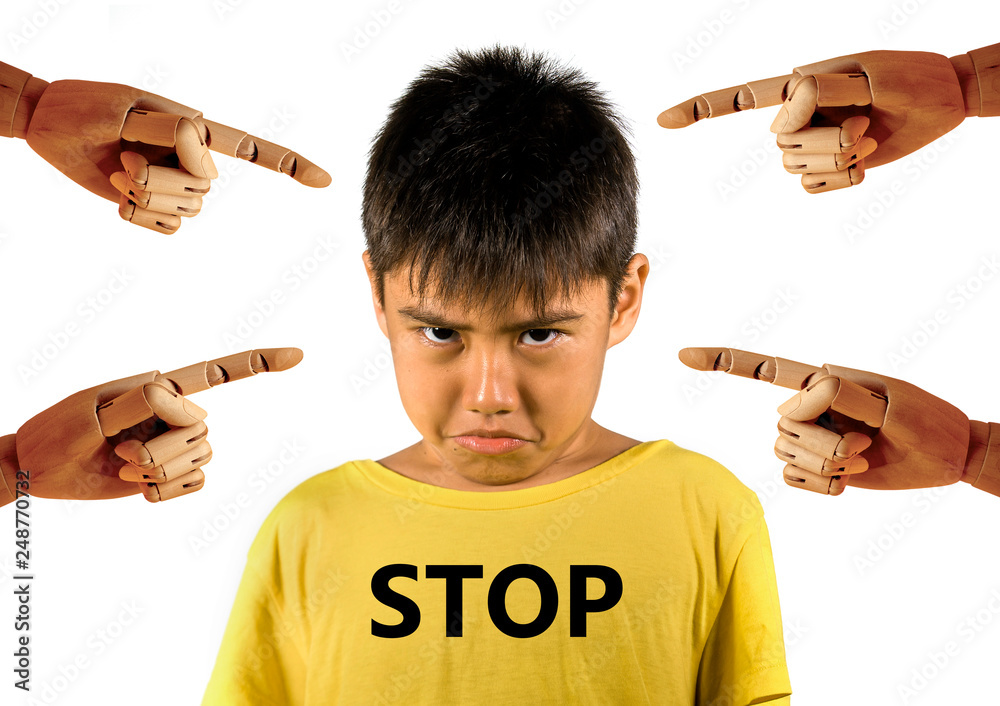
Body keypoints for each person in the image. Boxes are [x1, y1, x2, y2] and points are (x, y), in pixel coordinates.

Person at [201, 46, 792, 704]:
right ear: (377, 295)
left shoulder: (706, 514)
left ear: (622, 300)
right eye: (441, 333)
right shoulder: (308, 531)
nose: (488, 397)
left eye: (539, 334)